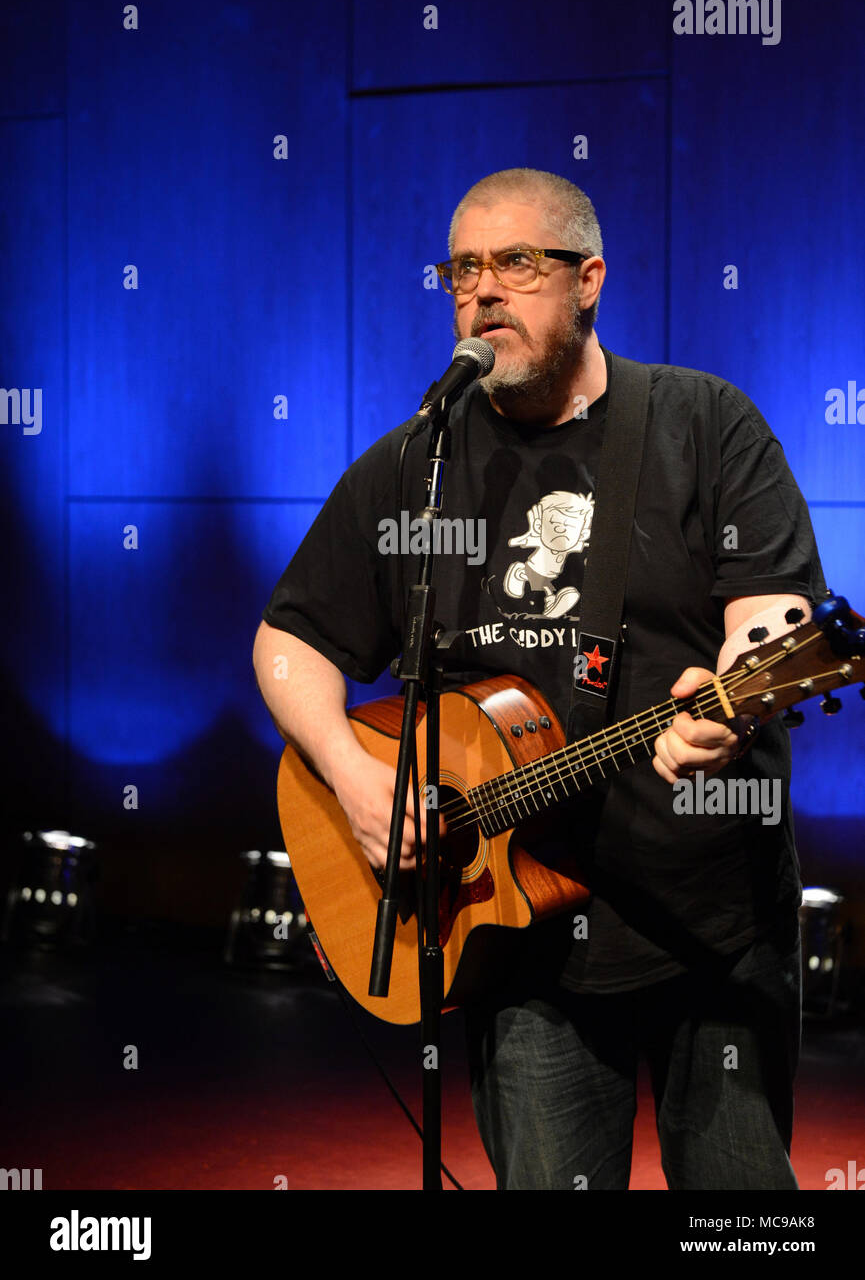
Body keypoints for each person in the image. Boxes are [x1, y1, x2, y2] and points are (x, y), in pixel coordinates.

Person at [253, 167, 826, 1190]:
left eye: (515, 262)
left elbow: (772, 613)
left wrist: (728, 703)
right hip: (515, 941)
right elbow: (288, 639)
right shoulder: (416, 467)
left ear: (588, 278)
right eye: (462, 268)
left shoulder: (702, 424)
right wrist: (351, 773)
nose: (482, 290)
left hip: (710, 923)